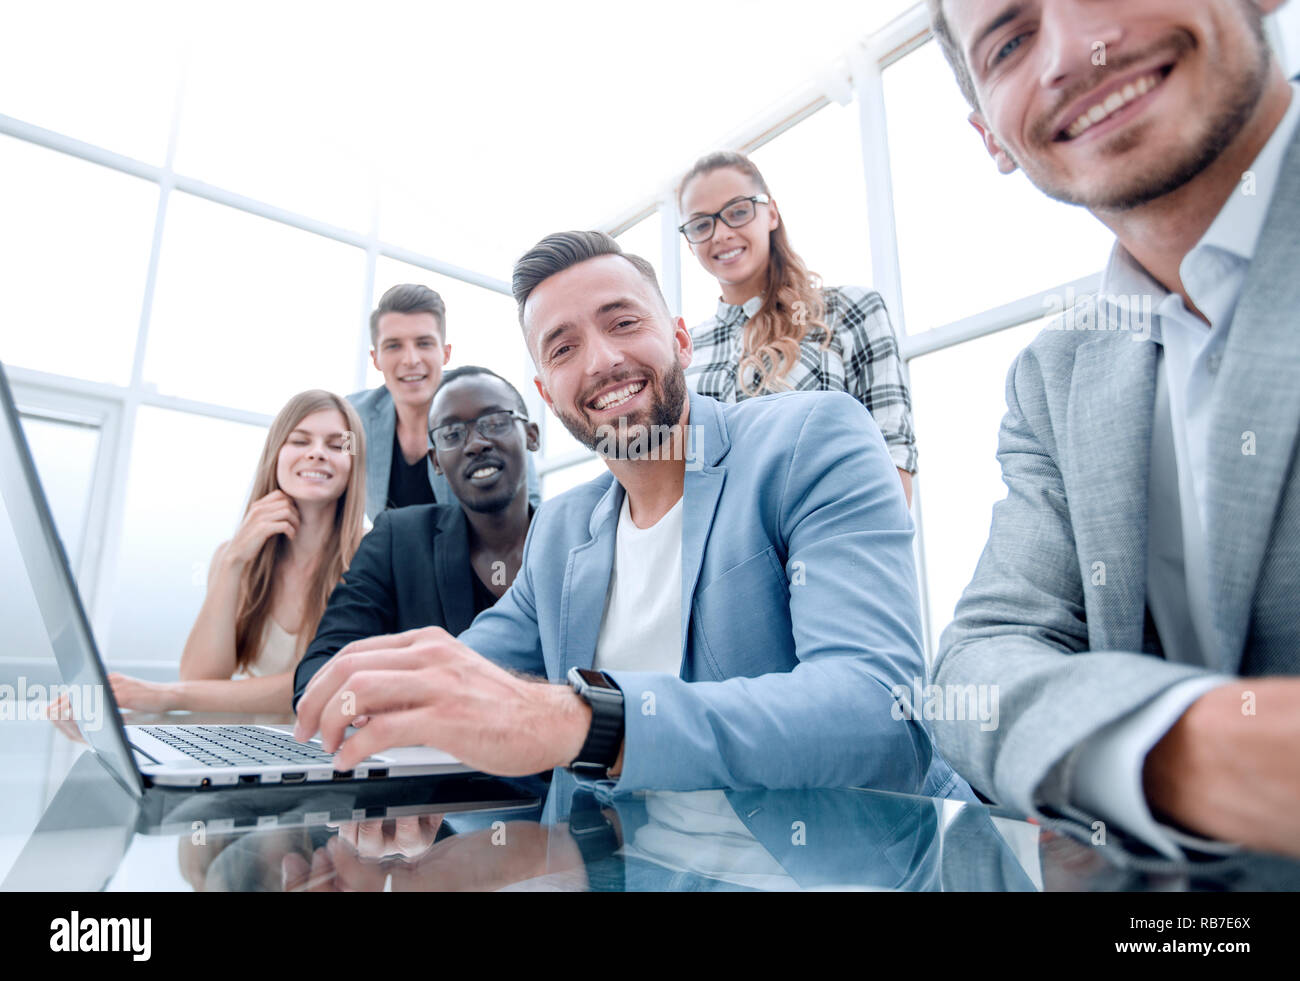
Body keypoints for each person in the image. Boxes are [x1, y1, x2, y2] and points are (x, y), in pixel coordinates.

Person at [294, 230, 971, 802]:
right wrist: (373, 713)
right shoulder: (559, 531)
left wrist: (586, 721)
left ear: (680, 338)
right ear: (545, 392)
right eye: (562, 348)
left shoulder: (810, 440)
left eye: (623, 323)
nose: (603, 360)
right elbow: (467, 675)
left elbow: (881, 719)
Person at [924, 0, 1300, 859]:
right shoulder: (1055, 376)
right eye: (1011, 41)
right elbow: (976, 663)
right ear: (990, 136)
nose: (1072, 51)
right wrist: (1184, 750)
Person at [677, 150, 917, 504]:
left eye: (738, 211)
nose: (721, 233)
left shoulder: (849, 310)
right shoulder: (684, 350)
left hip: (826, 537)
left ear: (771, 213)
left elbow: (892, 450)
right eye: (701, 224)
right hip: (720, 555)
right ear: (688, 240)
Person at [109, 390, 367, 714]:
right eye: (300, 441)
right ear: (275, 454)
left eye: (335, 445)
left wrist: (168, 695)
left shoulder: (372, 555)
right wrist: (233, 562)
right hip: (248, 745)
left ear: (353, 462)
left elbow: (326, 681)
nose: (316, 453)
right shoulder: (234, 556)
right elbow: (201, 678)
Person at [295, 366, 539, 687]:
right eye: (452, 434)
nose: (476, 444)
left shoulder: (582, 542)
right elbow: (321, 668)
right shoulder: (398, 540)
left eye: (494, 423)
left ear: (532, 436)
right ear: (435, 461)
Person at [349, 283, 538, 519]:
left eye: (424, 343)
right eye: (394, 346)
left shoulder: (485, 405)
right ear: (376, 358)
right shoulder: (353, 420)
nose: (410, 359)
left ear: (445, 353)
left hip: (481, 552)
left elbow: (529, 502)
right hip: (393, 552)